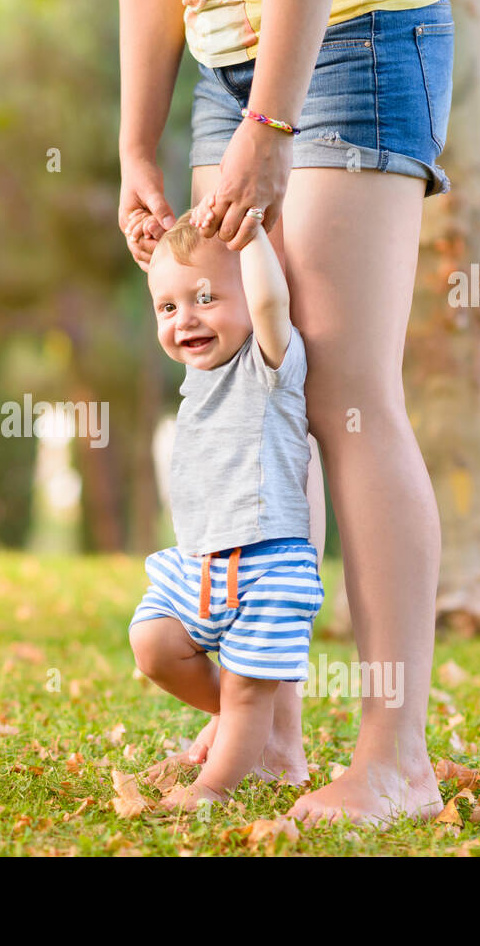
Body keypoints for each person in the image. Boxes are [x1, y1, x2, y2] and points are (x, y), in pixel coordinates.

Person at [119, 0, 454, 826]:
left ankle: (395, 759)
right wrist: (133, 145)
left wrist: (269, 123)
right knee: (255, 390)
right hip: (221, 60)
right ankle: (269, 739)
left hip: (353, 33)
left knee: (347, 393)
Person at [129, 197, 325, 811]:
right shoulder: (197, 375)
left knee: (245, 696)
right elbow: (180, 283)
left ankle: (214, 784)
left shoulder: (268, 363)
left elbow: (268, 302)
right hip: (197, 565)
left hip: (267, 565)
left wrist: (248, 242)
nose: (185, 319)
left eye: (206, 299)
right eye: (167, 307)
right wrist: (163, 251)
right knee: (153, 643)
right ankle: (246, 718)